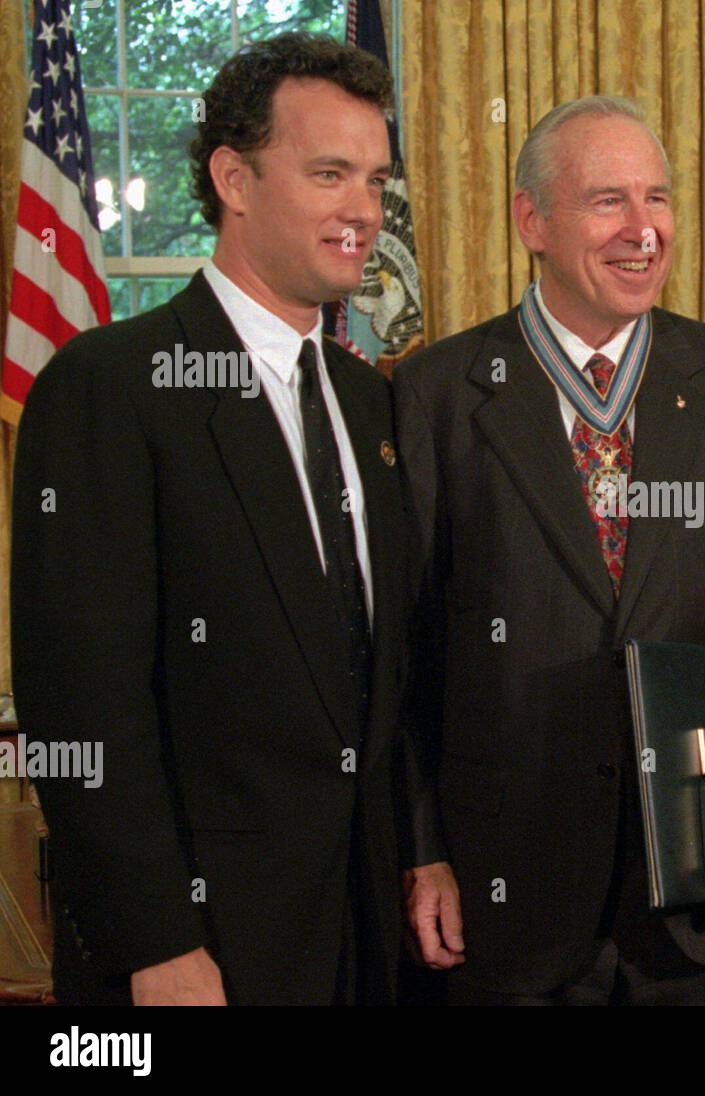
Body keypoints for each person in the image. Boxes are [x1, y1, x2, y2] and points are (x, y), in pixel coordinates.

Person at [395, 96, 705, 1005]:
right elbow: (405, 649)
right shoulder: (437, 393)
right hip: (506, 907)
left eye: (660, 199)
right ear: (533, 221)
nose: (645, 230)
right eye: (608, 202)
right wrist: (422, 849)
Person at [12, 32, 410, 1005]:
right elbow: (82, 704)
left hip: (370, 937)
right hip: (195, 954)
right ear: (234, 178)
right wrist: (156, 940)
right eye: (329, 174)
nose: (363, 210)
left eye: (373, 179)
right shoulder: (111, 386)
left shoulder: (371, 406)